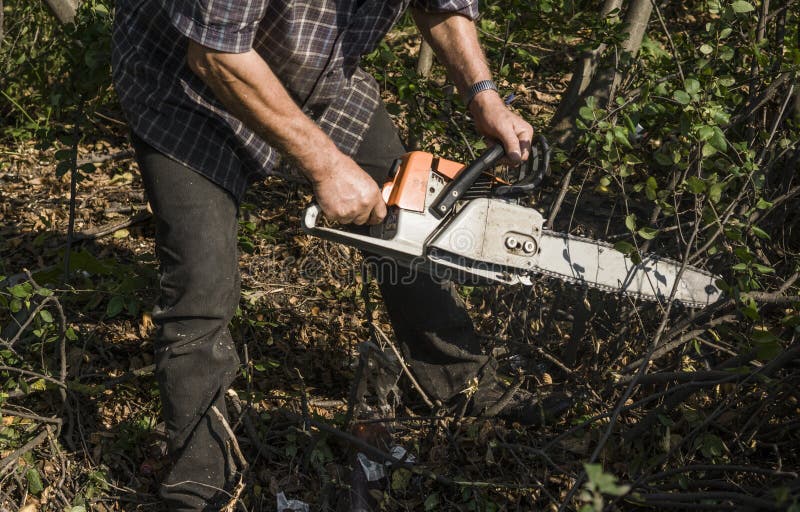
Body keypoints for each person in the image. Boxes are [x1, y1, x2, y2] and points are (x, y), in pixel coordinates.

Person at [112, 0, 550, 509]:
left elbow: (442, 4)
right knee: (200, 281)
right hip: (187, 93)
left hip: (321, 86)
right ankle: (201, 477)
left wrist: (483, 94)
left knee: (413, 220)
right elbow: (214, 53)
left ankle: (462, 382)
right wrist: (326, 165)